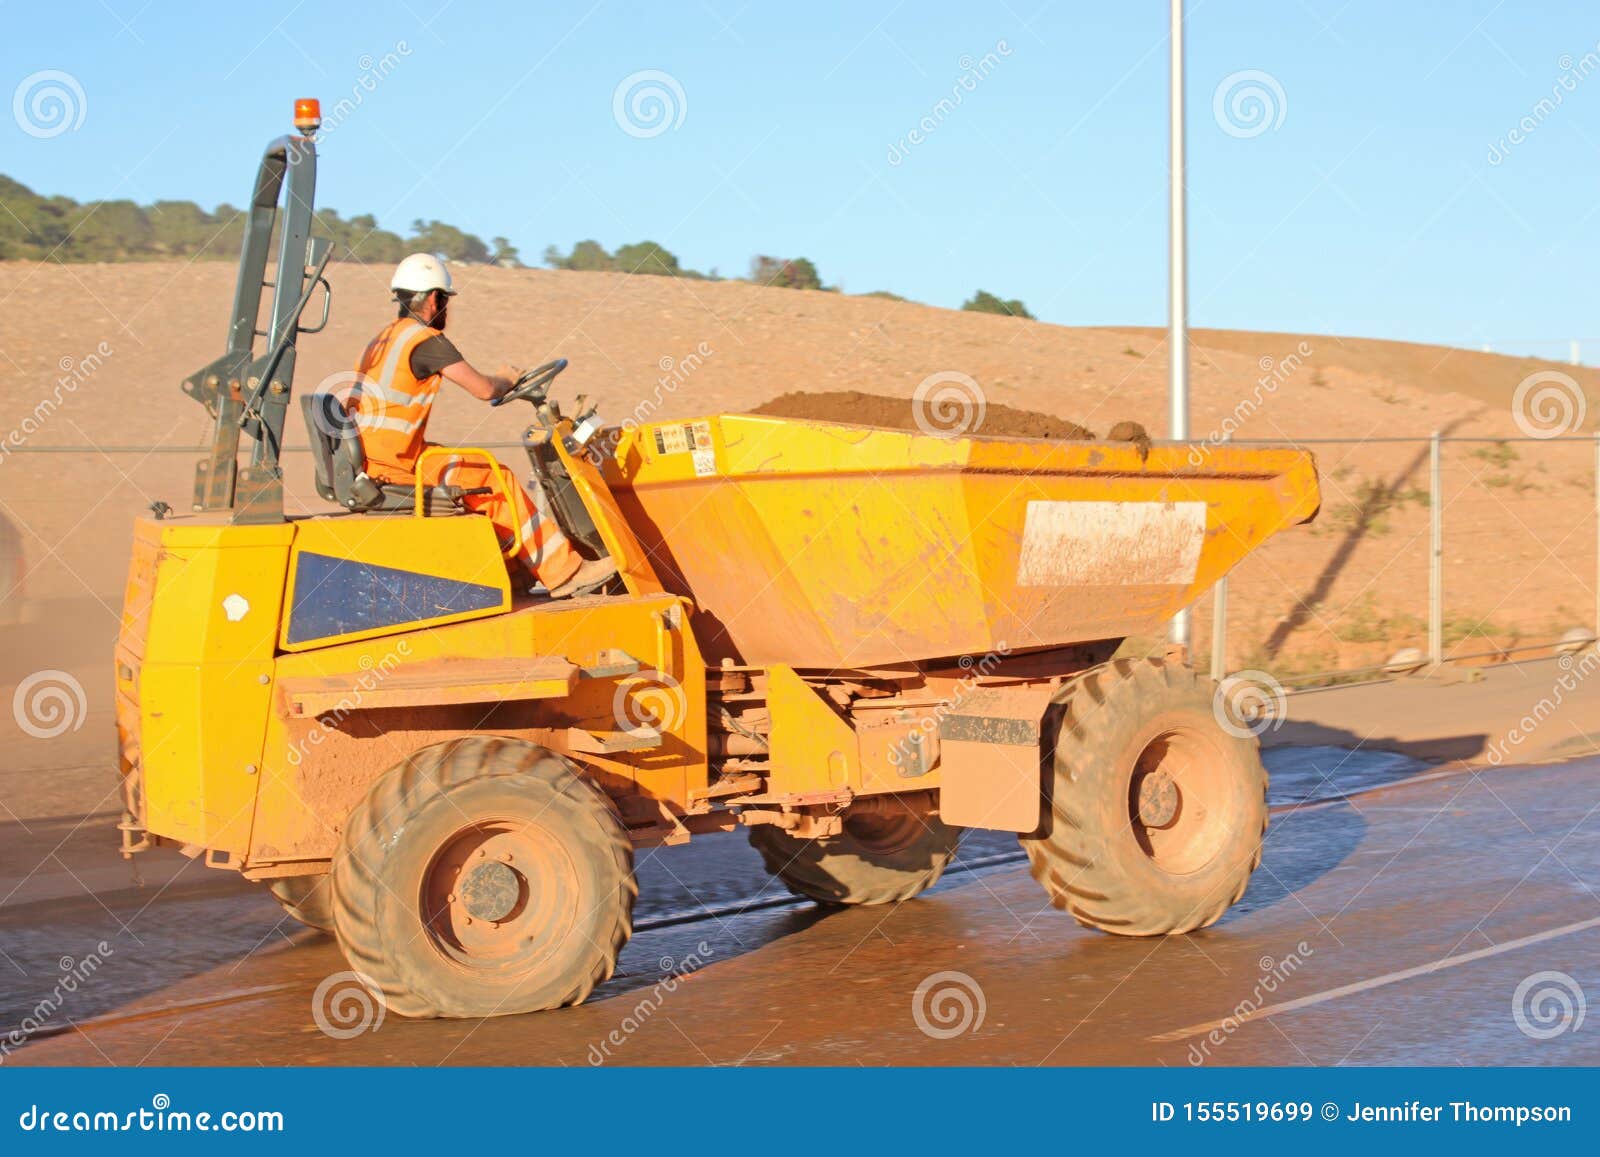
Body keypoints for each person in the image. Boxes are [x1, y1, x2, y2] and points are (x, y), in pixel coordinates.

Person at [348, 254, 616, 598]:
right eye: (445, 301)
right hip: (397, 467)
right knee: (494, 476)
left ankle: (517, 574)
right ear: (434, 299)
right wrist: (505, 378)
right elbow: (484, 389)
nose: (445, 309)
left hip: (380, 459)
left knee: (465, 466)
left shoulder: (383, 340)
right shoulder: (425, 340)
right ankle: (565, 572)